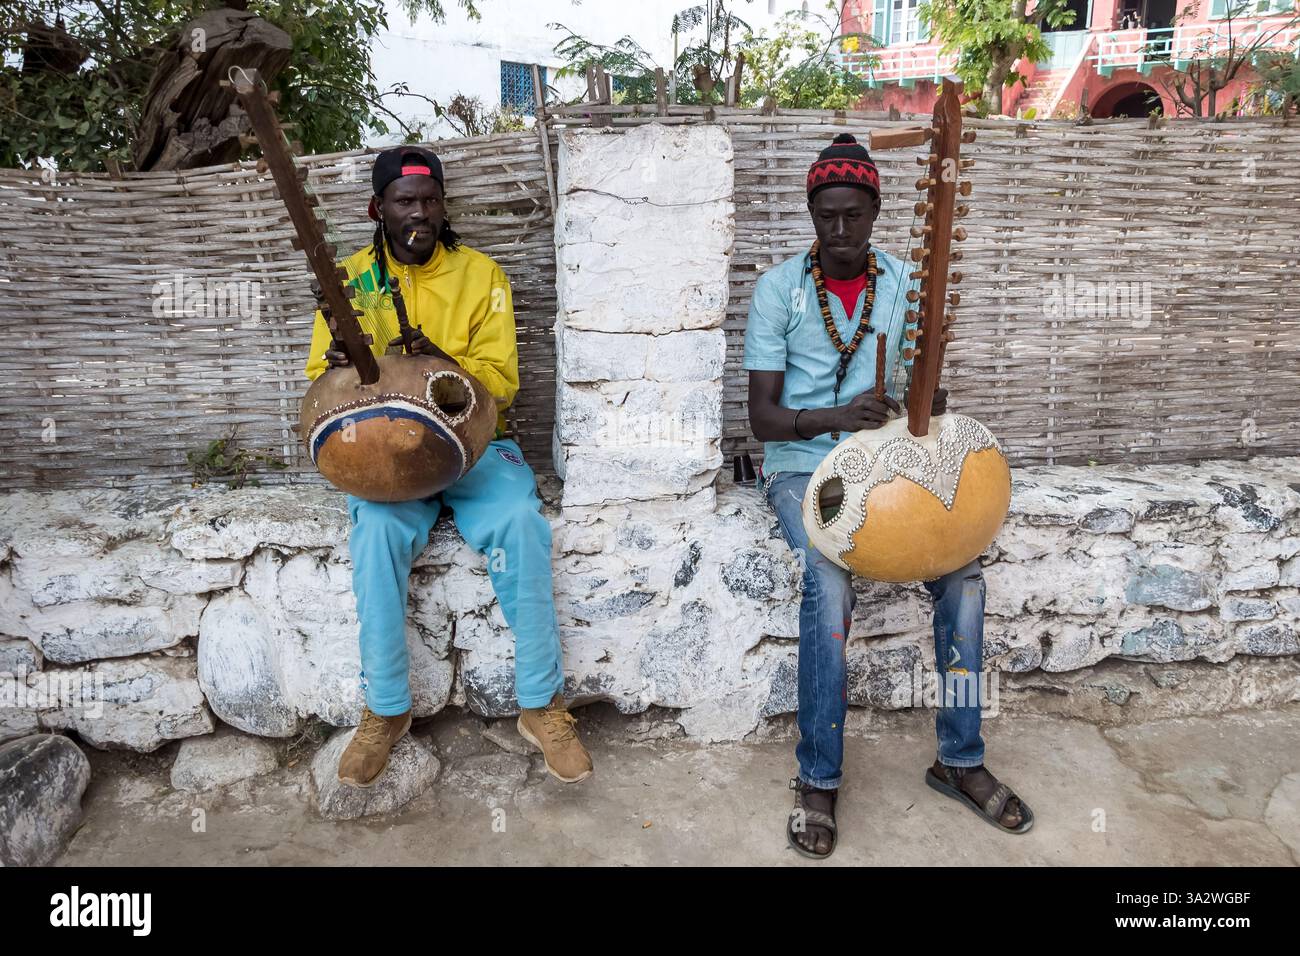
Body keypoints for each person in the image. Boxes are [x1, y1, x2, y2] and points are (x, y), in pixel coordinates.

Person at [743, 133, 1032, 859]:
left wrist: (924, 391)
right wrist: (838, 418)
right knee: (827, 582)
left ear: (875, 211)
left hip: (892, 462)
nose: (840, 232)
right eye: (826, 216)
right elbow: (762, 418)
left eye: (854, 215)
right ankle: (818, 779)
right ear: (812, 213)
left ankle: (959, 758)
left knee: (964, 580)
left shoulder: (905, 282)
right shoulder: (779, 289)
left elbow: (921, 395)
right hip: (803, 469)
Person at [305, 146, 592, 788]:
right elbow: (323, 382)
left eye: (431, 200)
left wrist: (441, 363)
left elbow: (503, 384)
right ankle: (385, 710)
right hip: (385, 453)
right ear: (379, 208)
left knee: (520, 520)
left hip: (474, 442)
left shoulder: (480, 274)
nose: (421, 213)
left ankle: (541, 705)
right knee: (376, 532)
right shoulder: (350, 280)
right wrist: (344, 360)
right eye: (406, 202)